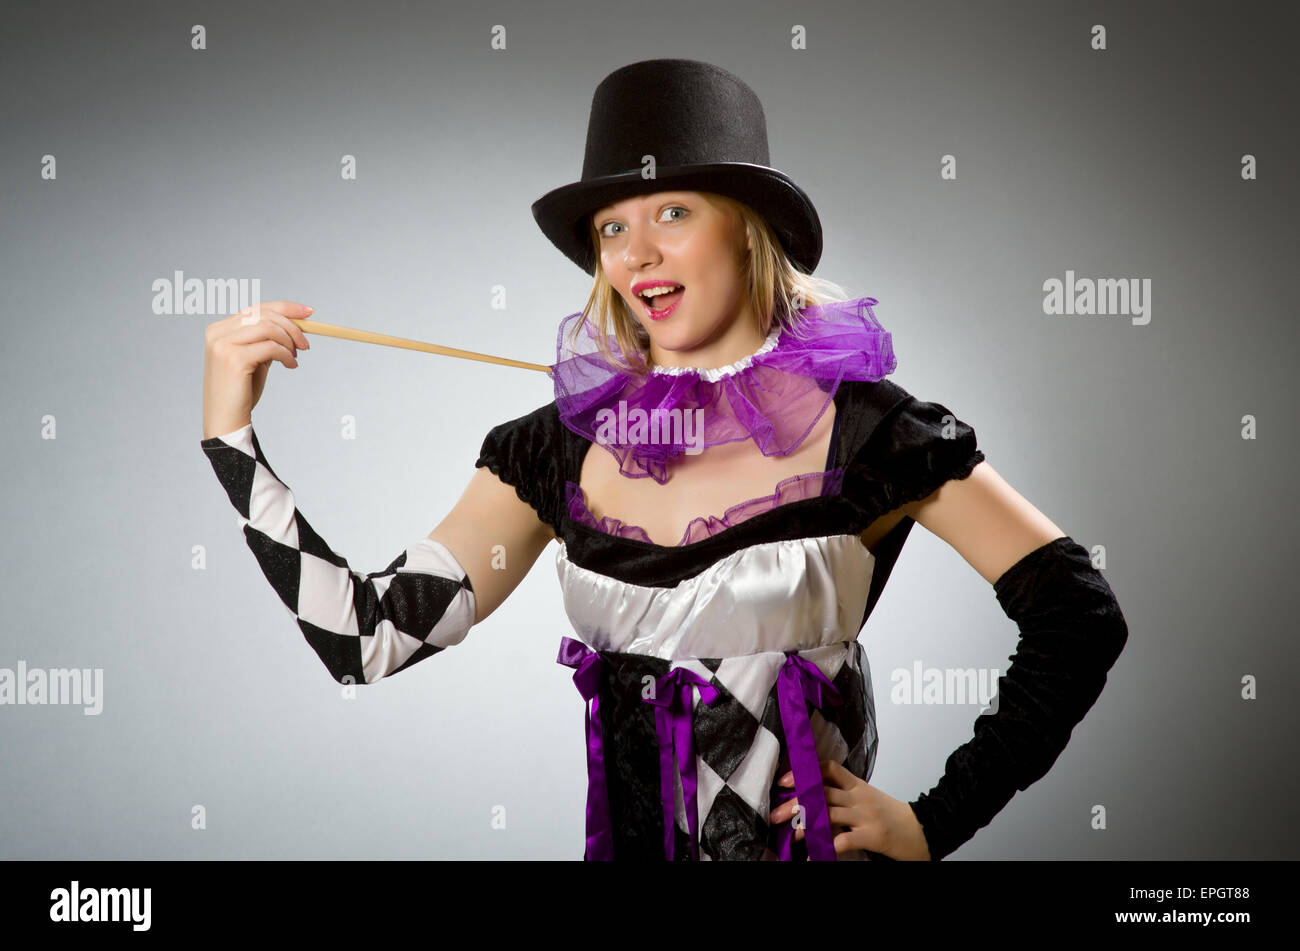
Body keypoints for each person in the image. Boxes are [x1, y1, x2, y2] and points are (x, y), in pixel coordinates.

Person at [199, 59, 1128, 861]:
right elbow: (366, 638)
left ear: (749, 227)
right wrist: (231, 441)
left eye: (673, 212)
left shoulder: (870, 436)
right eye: (612, 227)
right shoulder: (554, 450)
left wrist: (934, 822)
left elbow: (1079, 619)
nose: (637, 253)